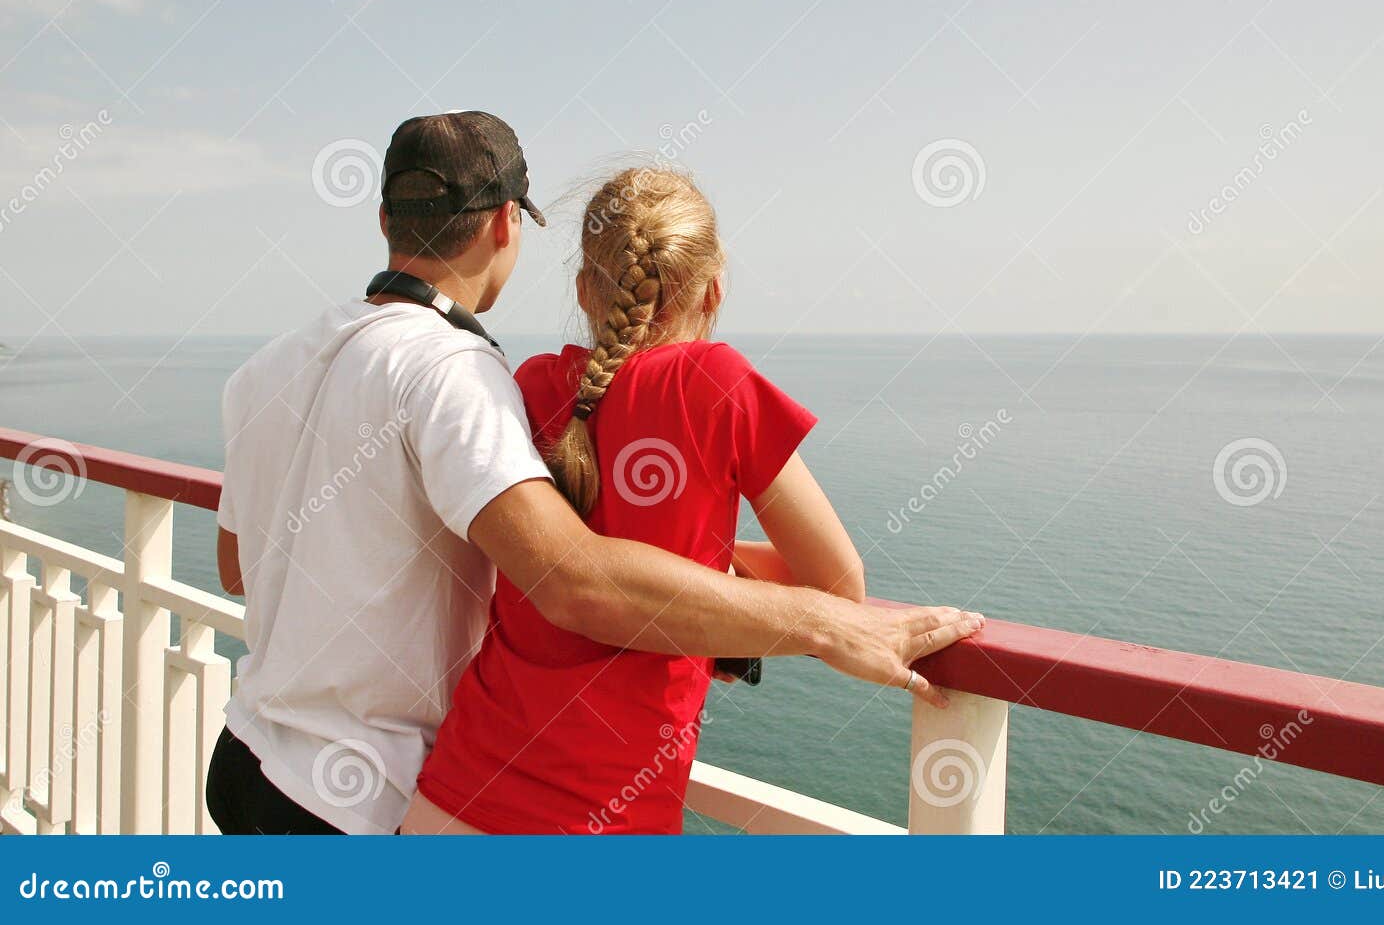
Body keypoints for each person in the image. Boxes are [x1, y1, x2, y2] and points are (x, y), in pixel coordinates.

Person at [205, 112, 983, 835]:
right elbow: (572, 578)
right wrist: (820, 621)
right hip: (357, 797)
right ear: (509, 223)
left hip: (247, 756)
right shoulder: (460, 370)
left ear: (383, 219)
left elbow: (238, 567)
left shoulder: (269, 364)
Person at [406, 167, 866, 834]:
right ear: (713, 289)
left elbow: (564, 545)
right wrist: (704, 573)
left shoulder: (534, 384)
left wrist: (692, 561)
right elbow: (840, 586)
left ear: (585, 290)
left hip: (454, 797)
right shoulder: (721, 384)